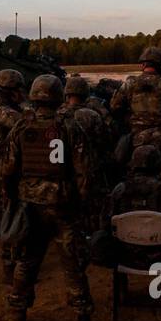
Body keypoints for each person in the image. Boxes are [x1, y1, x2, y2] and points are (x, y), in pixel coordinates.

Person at [2, 74, 107, 321]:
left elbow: (8, 170)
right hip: (63, 207)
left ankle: (17, 318)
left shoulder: (20, 127)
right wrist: (82, 204)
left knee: (26, 263)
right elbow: (85, 172)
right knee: (73, 264)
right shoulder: (71, 127)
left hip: (30, 206)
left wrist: (14, 200)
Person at [110, 46, 161, 187]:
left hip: (137, 137)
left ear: (142, 64)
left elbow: (115, 107)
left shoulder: (130, 84)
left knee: (133, 172)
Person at [0, 68, 27, 281]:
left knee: (9, 215)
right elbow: (27, 124)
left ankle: (11, 264)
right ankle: (11, 267)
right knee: (11, 216)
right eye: (19, 89)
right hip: (6, 171)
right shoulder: (4, 111)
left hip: (2, 168)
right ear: (11, 90)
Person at [59, 74, 112, 235]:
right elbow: (105, 142)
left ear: (67, 94)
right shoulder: (92, 115)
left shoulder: (58, 114)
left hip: (62, 171)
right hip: (90, 171)